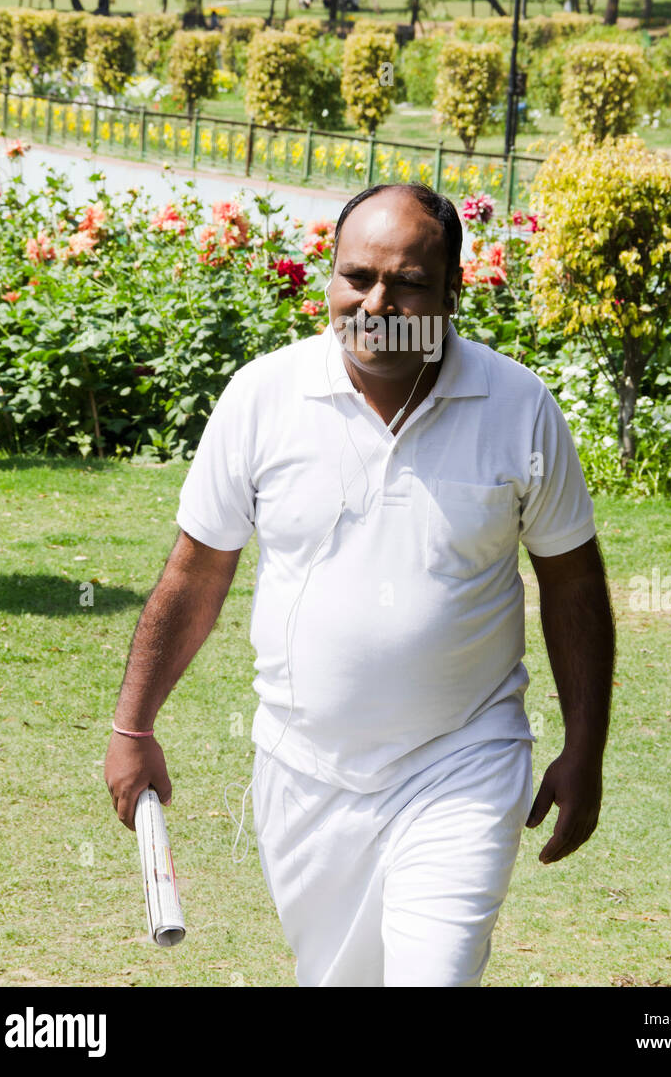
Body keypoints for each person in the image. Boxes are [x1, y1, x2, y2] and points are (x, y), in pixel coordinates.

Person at [105, 182, 615, 988]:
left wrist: (585, 748)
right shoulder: (263, 398)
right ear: (330, 277)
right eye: (357, 276)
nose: (377, 301)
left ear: (453, 291)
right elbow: (196, 574)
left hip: (463, 762)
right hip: (304, 774)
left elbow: (574, 585)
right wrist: (133, 728)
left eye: (409, 282)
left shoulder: (518, 406)